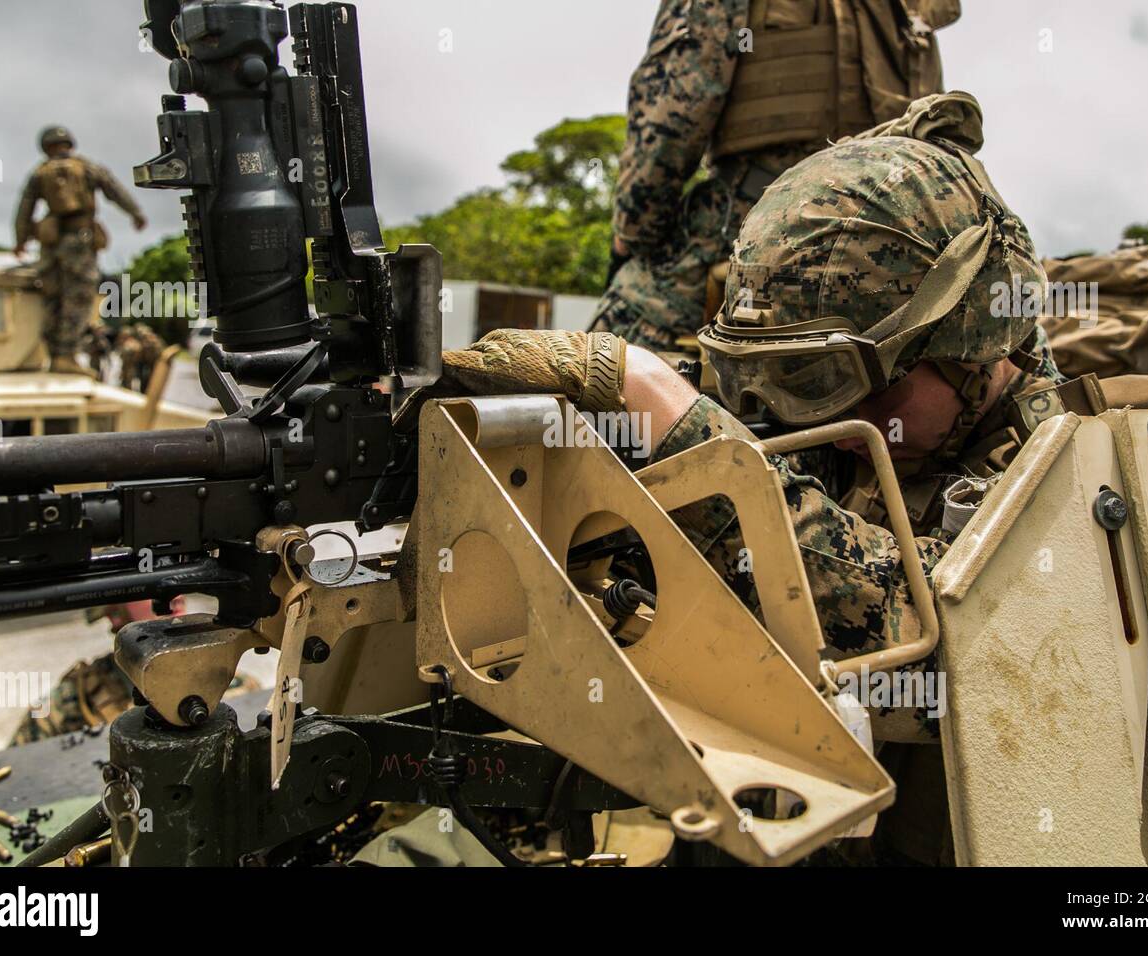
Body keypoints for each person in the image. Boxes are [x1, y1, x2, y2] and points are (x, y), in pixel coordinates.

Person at [441, 93, 1066, 745]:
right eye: (783, 383)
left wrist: (662, 408)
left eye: (826, 381)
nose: (819, 416)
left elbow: (949, 660)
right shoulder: (871, 431)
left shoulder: (1069, 480)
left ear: (972, 343)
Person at [590, 0, 961, 350]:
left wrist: (633, 233)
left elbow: (671, 121)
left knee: (601, 361)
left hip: (765, 216)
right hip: (906, 235)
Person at [12, 126, 147, 375]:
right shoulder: (86, 167)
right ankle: (66, 356)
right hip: (79, 240)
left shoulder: (40, 173)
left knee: (52, 295)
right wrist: (135, 213)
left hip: (50, 245)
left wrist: (20, 241)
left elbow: (24, 209)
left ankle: (54, 354)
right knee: (80, 296)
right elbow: (114, 190)